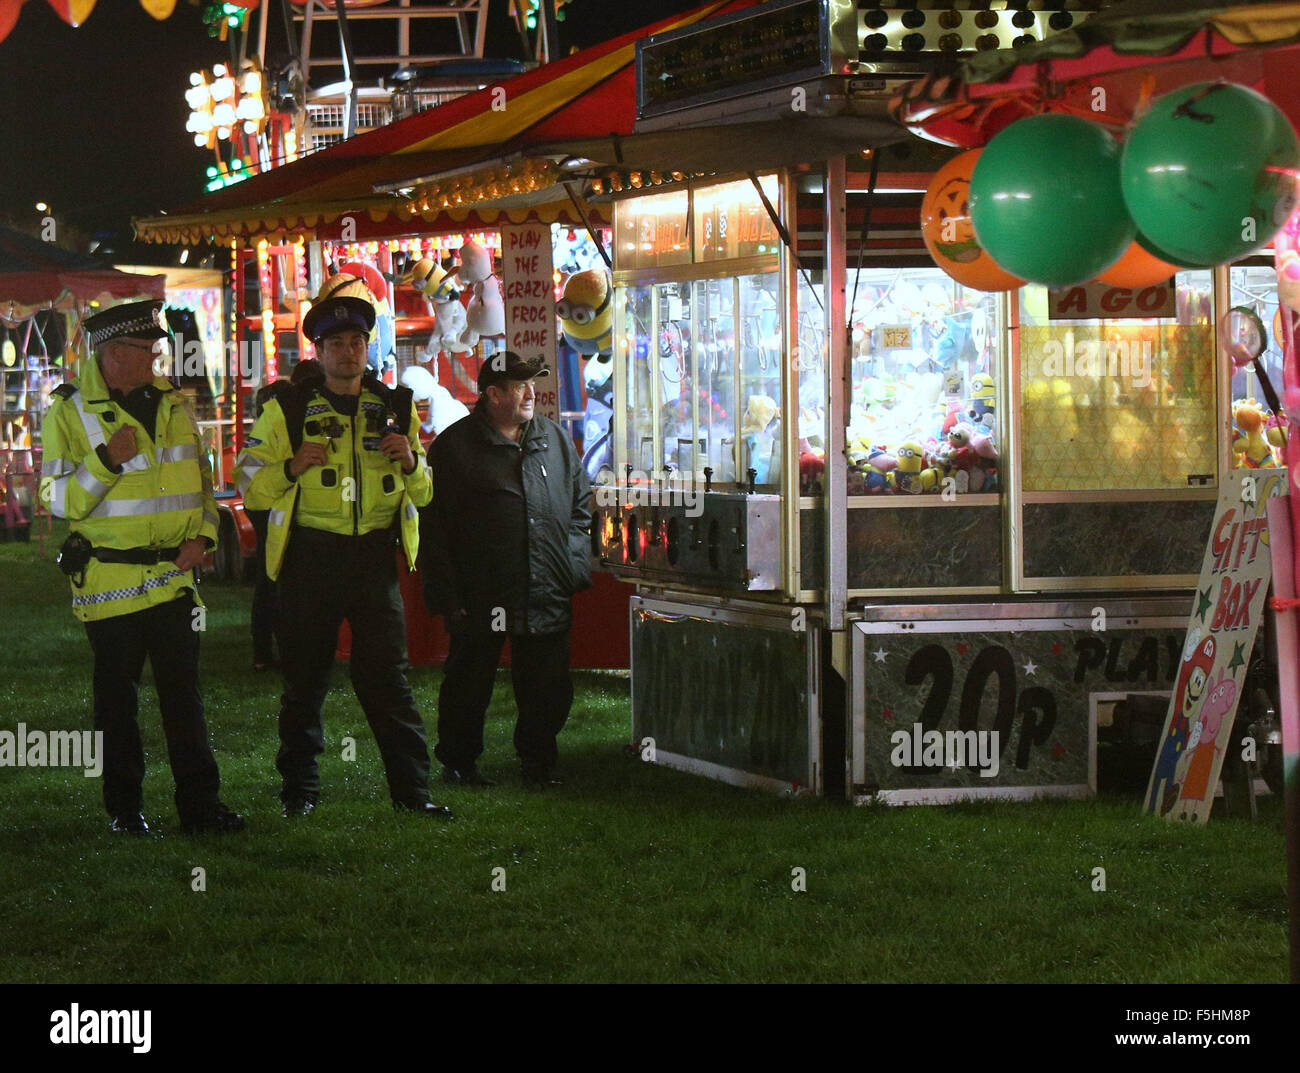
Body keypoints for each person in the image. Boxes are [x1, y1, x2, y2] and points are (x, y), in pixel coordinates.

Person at [235, 289, 452, 820]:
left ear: (367, 346)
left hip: (374, 559)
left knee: (388, 680)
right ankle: (300, 793)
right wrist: (288, 469)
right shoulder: (286, 409)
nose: (348, 352)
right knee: (304, 680)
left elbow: (426, 493)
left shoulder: (396, 408)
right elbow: (249, 484)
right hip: (310, 558)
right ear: (318, 351)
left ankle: (412, 793)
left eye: (356, 341)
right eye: (336, 343)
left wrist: (409, 464)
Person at [41, 300, 244, 836]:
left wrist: (203, 535)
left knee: (185, 699)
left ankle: (201, 809)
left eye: (157, 349)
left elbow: (200, 482)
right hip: (110, 583)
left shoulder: (175, 405)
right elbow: (57, 500)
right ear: (111, 354)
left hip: (173, 580)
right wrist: (105, 461)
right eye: (145, 350)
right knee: (117, 705)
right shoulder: (67, 411)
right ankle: (125, 813)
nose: (156, 358)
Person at [419, 351, 592, 789]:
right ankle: (459, 763)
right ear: (492, 395)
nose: (532, 394)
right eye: (520, 387)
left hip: (546, 584)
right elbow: (434, 530)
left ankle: (539, 762)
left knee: (547, 684)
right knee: (469, 680)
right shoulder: (454, 448)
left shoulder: (553, 438)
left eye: (534, 384)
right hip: (482, 592)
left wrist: (570, 565)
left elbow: (580, 506)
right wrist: (448, 595)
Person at [246, 360, 322, 672]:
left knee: (270, 576)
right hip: (275, 499)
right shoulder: (287, 410)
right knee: (275, 576)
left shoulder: (276, 402)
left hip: (267, 499)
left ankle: (265, 650)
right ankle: (276, 646)